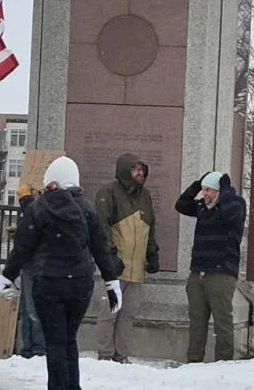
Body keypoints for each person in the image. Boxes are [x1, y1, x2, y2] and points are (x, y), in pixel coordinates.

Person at [0, 156, 122, 390]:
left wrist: (7, 276)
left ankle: (57, 386)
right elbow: (100, 248)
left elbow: (24, 247)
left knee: (54, 342)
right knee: (69, 339)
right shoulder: (86, 207)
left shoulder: (40, 207)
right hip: (80, 283)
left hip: (48, 282)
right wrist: (111, 281)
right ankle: (72, 386)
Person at [175, 171, 246, 363]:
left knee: (222, 321)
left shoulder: (236, 204)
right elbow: (181, 204)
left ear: (219, 191)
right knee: (197, 321)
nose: (204, 194)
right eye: (203, 190)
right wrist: (198, 184)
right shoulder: (203, 207)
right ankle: (194, 360)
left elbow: (221, 215)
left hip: (221, 273)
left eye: (208, 190)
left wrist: (223, 192)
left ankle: (223, 363)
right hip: (198, 272)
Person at [94, 153, 159, 363]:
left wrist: (152, 254)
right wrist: (110, 255)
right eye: (135, 169)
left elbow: (150, 227)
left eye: (142, 169)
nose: (140, 173)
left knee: (128, 315)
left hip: (136, 267)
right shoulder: (108, 193)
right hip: (115, 266)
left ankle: (121, 354)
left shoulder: (145, 195)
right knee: (109, 311)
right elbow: (102, 228)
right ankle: (105, 353)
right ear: (124, 171)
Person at [14, 184, 46, 359]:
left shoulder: (32, 211)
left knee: (30, 309)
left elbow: (28, 237)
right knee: (31, 308)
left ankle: (32, 347)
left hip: (31, 263)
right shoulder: (40, 209)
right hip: (35, 263)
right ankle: (34, 347)